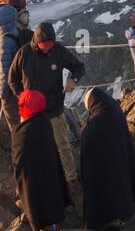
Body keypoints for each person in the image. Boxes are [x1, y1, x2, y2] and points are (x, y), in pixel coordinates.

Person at [12, 22, 85, 193]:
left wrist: (73, 80)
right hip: (30, 111)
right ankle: (36, 181)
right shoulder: (24, 53)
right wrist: (22, 97)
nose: (46, 49)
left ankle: (70, 178)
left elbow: (78, 66)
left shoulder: (58, 51)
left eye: (49, 46)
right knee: (31, 147)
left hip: (54, 107)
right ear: (35, 42)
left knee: (62, 144)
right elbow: (13, 78)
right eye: (43, 46)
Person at [8, 89, 71, 231]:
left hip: (33, 180)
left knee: (39, 206)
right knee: (52, 201)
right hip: (49, 173)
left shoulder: (21, 132)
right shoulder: (44, 121)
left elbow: (19, 161)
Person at [79, 87, 135, 231]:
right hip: (119, 159)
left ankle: (104, 221)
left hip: (102, 167)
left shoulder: (96, 122)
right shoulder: (113, 110)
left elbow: (87, 142)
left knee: (106, 190)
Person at [0, 0, 31, 100]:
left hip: (9, 39)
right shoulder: (20, 0)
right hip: (22, 40)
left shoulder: (6, 5)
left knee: (6, 66)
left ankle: (7, 93)